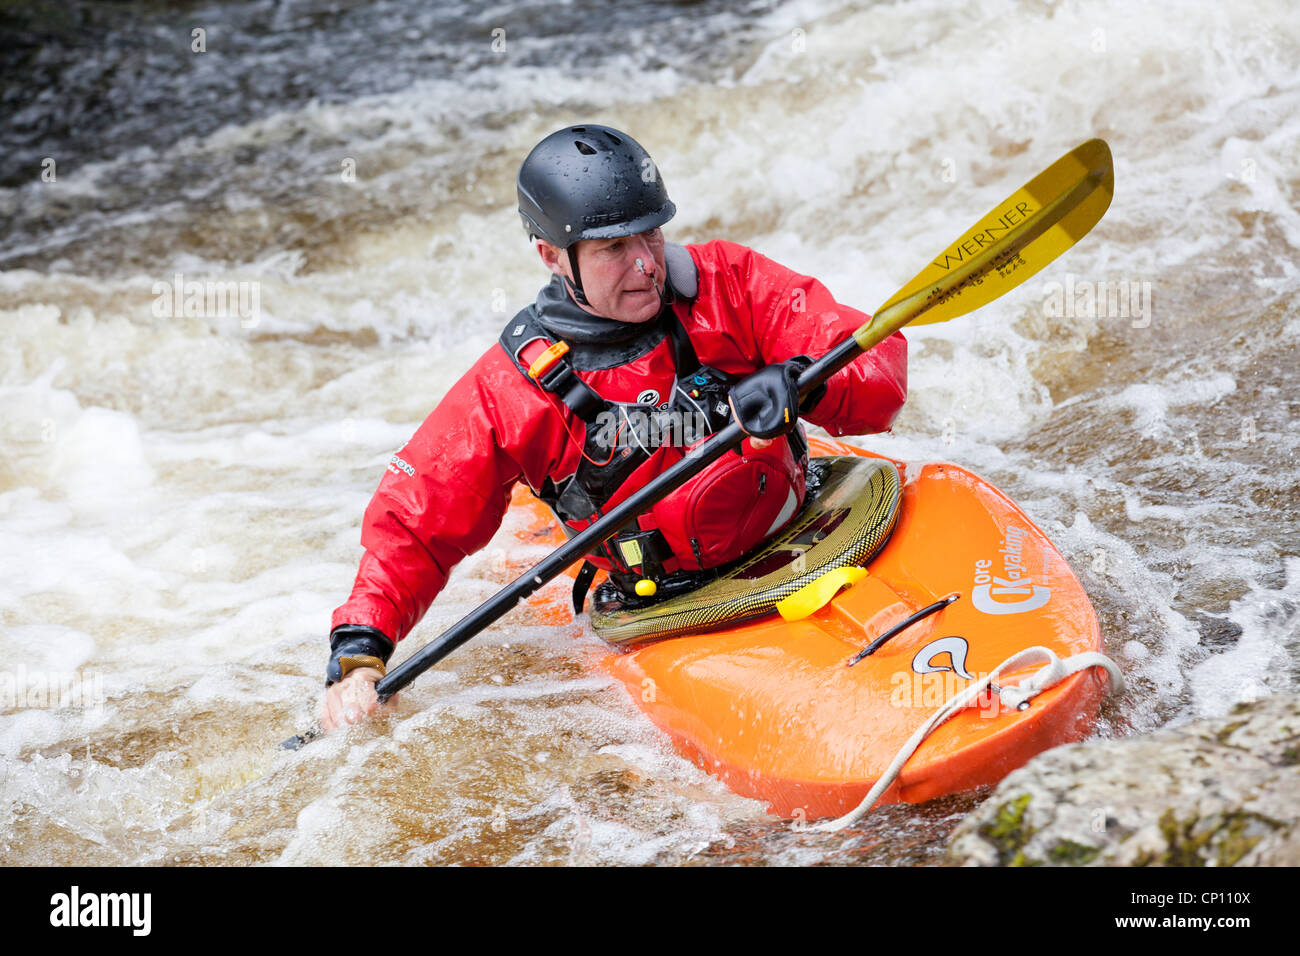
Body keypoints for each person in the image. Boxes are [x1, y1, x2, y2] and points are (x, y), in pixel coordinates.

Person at [319, 124, 907, 731]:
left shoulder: (731, 284)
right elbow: (414, 523)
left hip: (804, 525)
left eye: (652, 234)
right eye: (612, 249)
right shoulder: (512, 390)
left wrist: (806, 379)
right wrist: (360, 653)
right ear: (551, 255)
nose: (646, 265)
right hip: (668, 606)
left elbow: (878, 371)